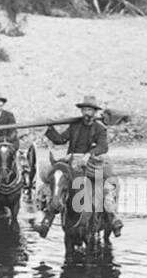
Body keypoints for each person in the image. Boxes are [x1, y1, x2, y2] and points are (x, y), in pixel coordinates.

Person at [40, 95, 122, 237]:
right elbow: (60, 140)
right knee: (54, 183)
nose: (86, 113)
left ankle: (112, 217)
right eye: (84, 110)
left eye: (89, 110)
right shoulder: (74, 126)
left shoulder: (99, 128)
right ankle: (47, 219)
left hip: (91, 163)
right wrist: (50, 128)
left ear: (94, 112)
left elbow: (103, 147)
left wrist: (88, 155)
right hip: (71, 162)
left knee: (103, 187)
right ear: (81, 112)